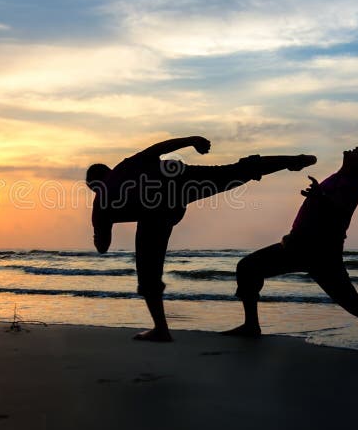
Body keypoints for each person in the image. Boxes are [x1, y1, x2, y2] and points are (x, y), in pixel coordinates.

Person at [87, 136, 316, 342]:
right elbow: (160, 147)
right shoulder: (126, 165)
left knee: (148, 274)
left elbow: (102, 247)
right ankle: (291, 160)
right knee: (233, 172)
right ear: (109, 169)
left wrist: (105, 226)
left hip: (158, 212)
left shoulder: (101, 203)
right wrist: (193, 140)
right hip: (180, 180)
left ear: (93, 186)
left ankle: (161, 329)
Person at [223, 147, 358, 348]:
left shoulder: (351, 185)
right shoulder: (339, 179)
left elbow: (339, 214)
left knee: (349, 299)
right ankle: (251, 326)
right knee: (248, 267)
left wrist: (319, 196)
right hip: (299, 246)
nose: (357, 148)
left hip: (321, 252)